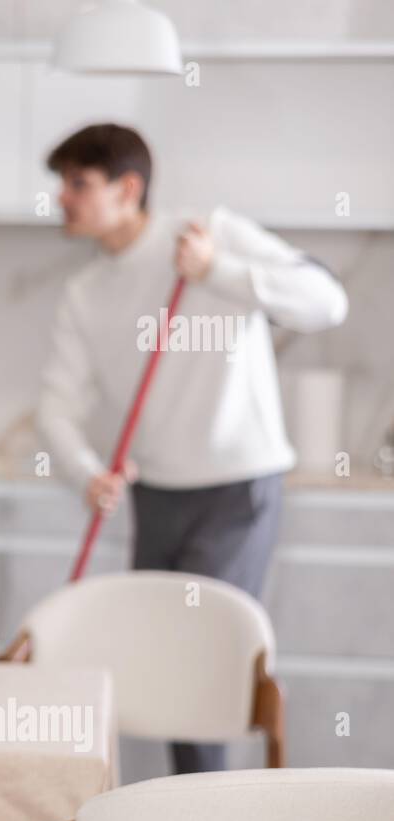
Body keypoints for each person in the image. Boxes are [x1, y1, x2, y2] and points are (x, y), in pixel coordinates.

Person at [35, 123, 348, 774]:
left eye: (78, 184)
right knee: (164, 665)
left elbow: (327, 301)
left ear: (128, 189)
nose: (61, 198)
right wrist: (86, 473)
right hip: (157, 494)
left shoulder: (207, 233)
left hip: (238, 487)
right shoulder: (85, 294)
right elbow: (56, 408)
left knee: (202, 666)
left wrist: (217, 272)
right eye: (61, 184)